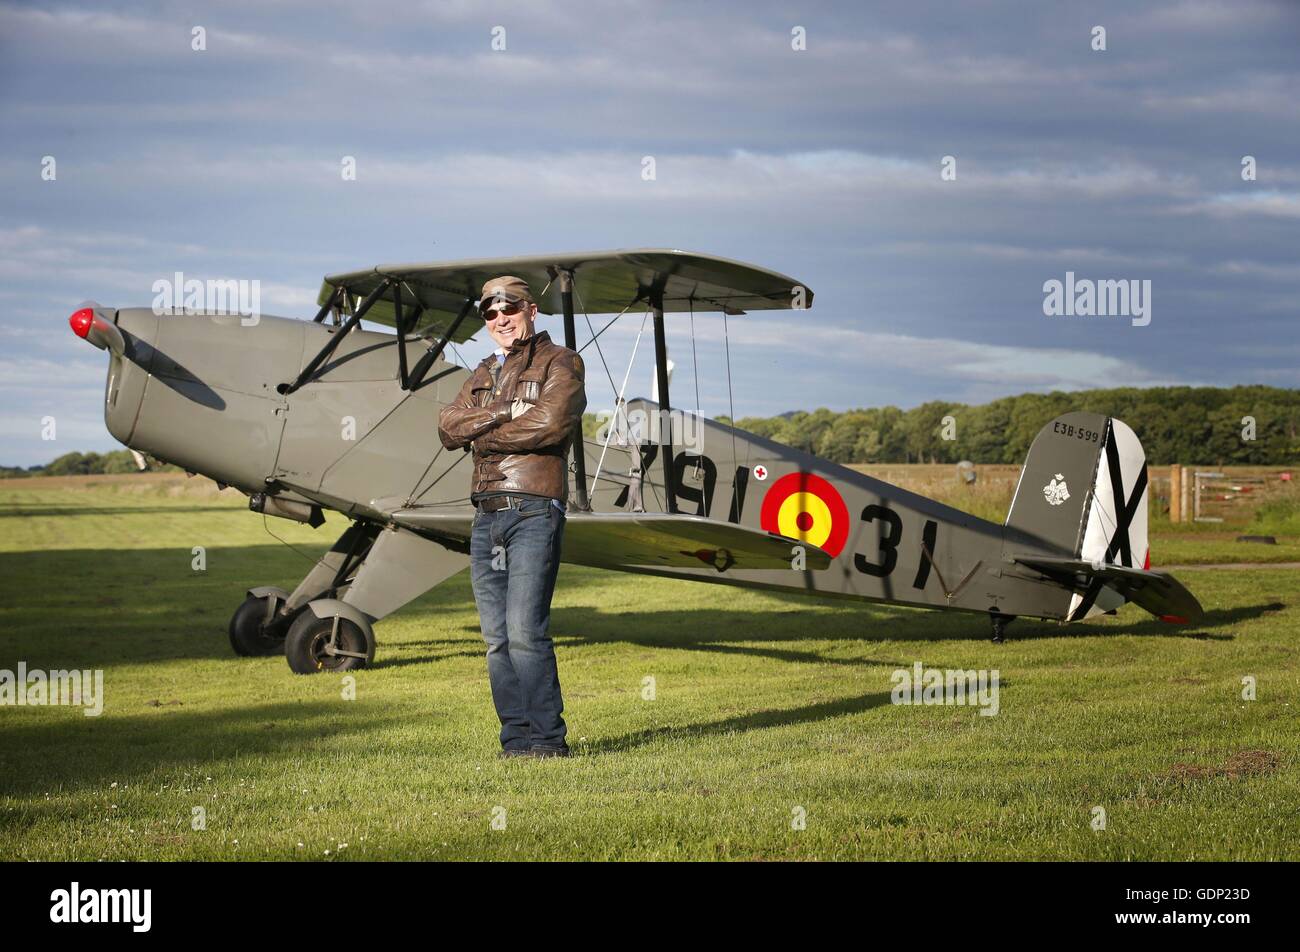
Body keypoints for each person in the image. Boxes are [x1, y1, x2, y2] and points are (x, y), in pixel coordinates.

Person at [437, 276, 587, 759]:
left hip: (533, 507)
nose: (500, 319)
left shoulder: (561, 362)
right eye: (490, 312)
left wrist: (482, 433)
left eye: (510, 309)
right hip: (486, 514)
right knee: (497, 640)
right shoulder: (482, 371)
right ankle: (516, 740)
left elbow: (551, 423)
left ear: (531, 309)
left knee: (524, 631)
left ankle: (547, 740)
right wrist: (505, 411)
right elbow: (446, 426)